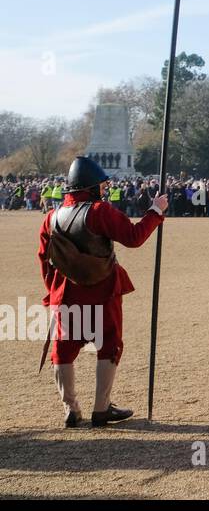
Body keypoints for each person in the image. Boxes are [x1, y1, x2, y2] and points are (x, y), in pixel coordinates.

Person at [36, 157, 168, 428]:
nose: (105, 189)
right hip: (103, 290)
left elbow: (44, 260)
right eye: (102, 185)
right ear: (92, 186)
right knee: (109, 345)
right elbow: (133, 237)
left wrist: (53, 292)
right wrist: (155, 210)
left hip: (66, 293)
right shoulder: (100, 211)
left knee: (64, 349)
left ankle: (71, 409)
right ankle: (101, 408)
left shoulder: (51, 217)